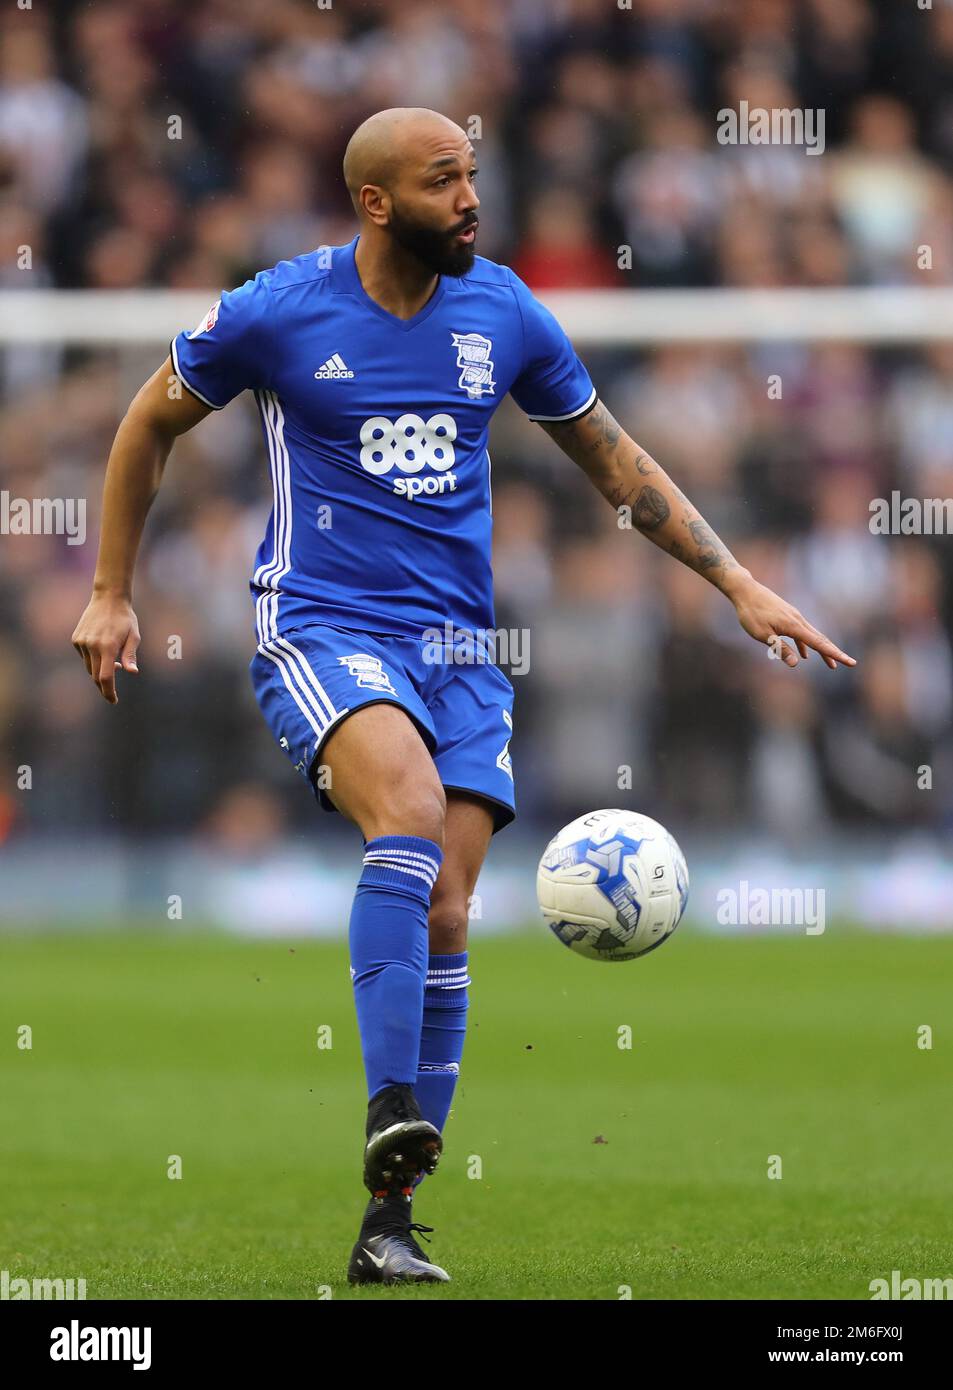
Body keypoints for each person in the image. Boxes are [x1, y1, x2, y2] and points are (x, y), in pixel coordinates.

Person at [71, 107, 855, 1286]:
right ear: (376, 201)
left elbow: (614, 461)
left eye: (473, 174)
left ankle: (387, 1222)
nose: (472, 198)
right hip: (323, 625)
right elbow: (148, 422)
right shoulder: (276, 309)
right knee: (408, 811)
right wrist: (108, 590)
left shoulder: (505, 312)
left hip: (460, 652)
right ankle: (390, 1100)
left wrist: (736, 582)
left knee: (445, 908)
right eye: (443, 181)